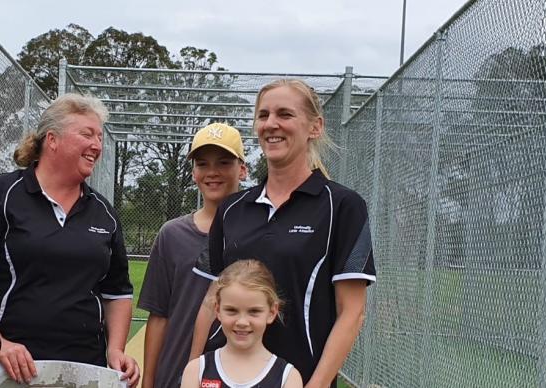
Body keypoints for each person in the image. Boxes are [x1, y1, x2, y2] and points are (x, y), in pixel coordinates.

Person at [191, 79, 376, 388]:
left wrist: (314, 385)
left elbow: (352, 312)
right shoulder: (232, 209)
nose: (271, 124)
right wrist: (194, 369)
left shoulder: (343, 206)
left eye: (285, 114)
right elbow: (212, 298)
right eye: (263, 115)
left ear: (315, 127)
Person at [0, 93, 139, 387]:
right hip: (9, 366)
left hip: (84, 367)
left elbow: (117, 292)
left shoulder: (104, 214)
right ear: (52, 139)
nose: (97, 146)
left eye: (100, 137)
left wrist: (115, 349)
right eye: (87, 134)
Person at [137, 123, 248, 388]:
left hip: (238, 375)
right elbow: (159, 315)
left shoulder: (257, 234)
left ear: (242, 169)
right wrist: (149, 381)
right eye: (202, 164)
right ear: (193, 172)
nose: (212, 172)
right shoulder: (172, 234)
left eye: (223, 162)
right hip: (175, 374)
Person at [181, 260, 303, 388]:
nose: (242, 322)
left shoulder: (288, 377)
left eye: (254, 311)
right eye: (232, 310)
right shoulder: (197, 371)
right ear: (217, 310)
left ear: (272, 312)